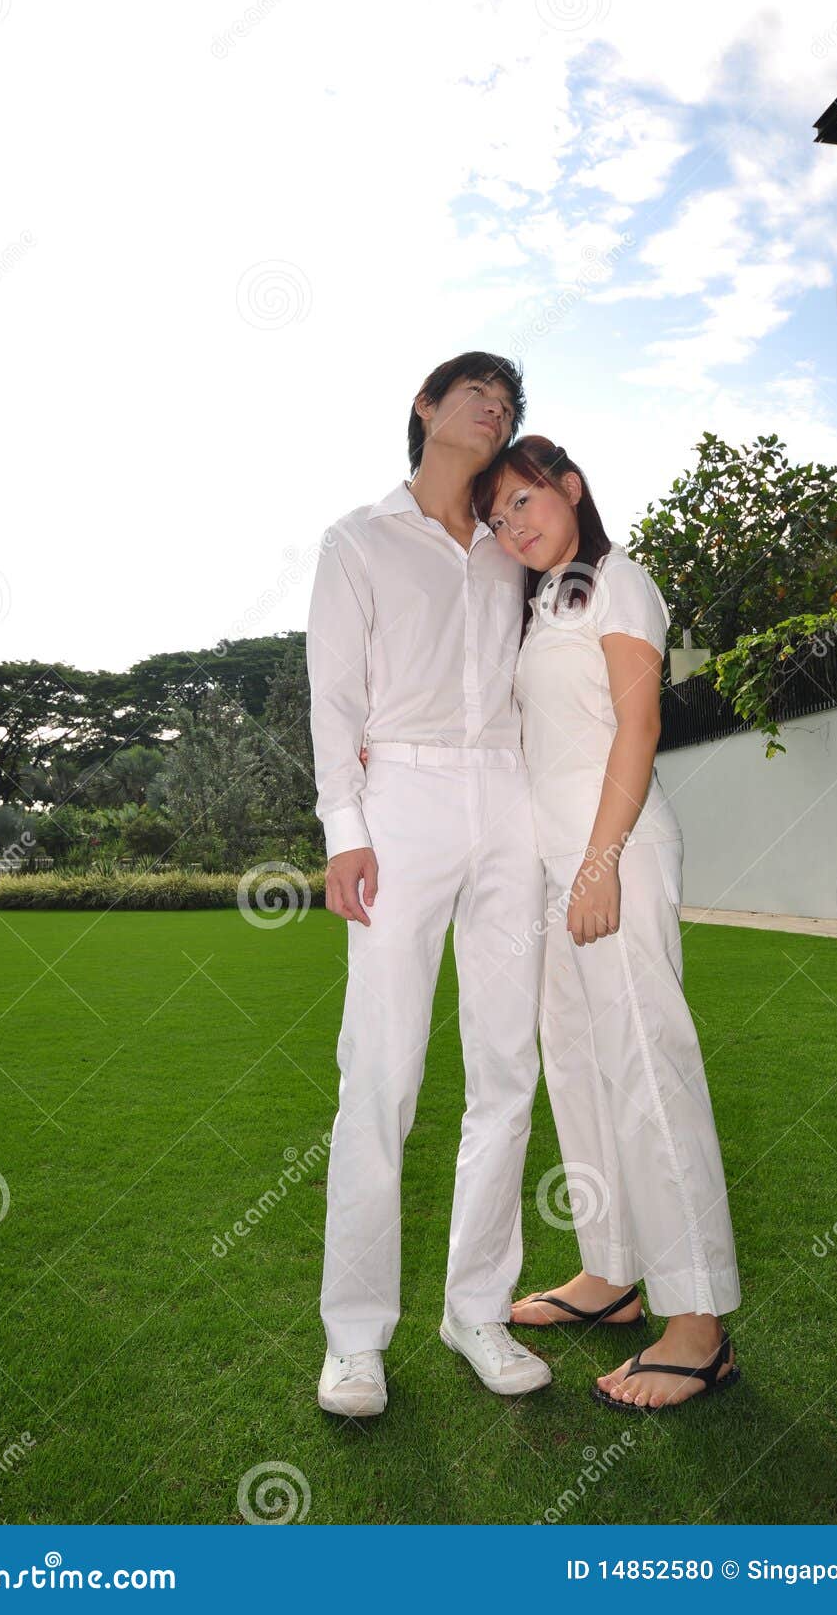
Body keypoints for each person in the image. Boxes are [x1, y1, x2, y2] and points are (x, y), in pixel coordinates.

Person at [471, 434, 742, 1413]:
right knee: (579, 1069)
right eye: (497, 519)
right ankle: (610, 1271)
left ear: (569, 487)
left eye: (524, 501)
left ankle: (698, 1323)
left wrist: (598, 863)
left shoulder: (619, 580)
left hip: (611, 855)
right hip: (557, 868)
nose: (514, 526)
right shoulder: (544, 603)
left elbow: (638, 725)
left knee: (644, 1068)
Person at [305, 353, 553, 1417]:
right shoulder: (356, 540)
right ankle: (354, 1338)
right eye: (475, 392)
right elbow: (333, 699)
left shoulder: (515, 551)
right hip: (397, 796)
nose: (493, 408)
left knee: (506, 1065)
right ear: (425, 408)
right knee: (383, 1070)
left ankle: (475, 1309)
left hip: (507, 800)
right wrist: (342, 830)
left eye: (507, 403)